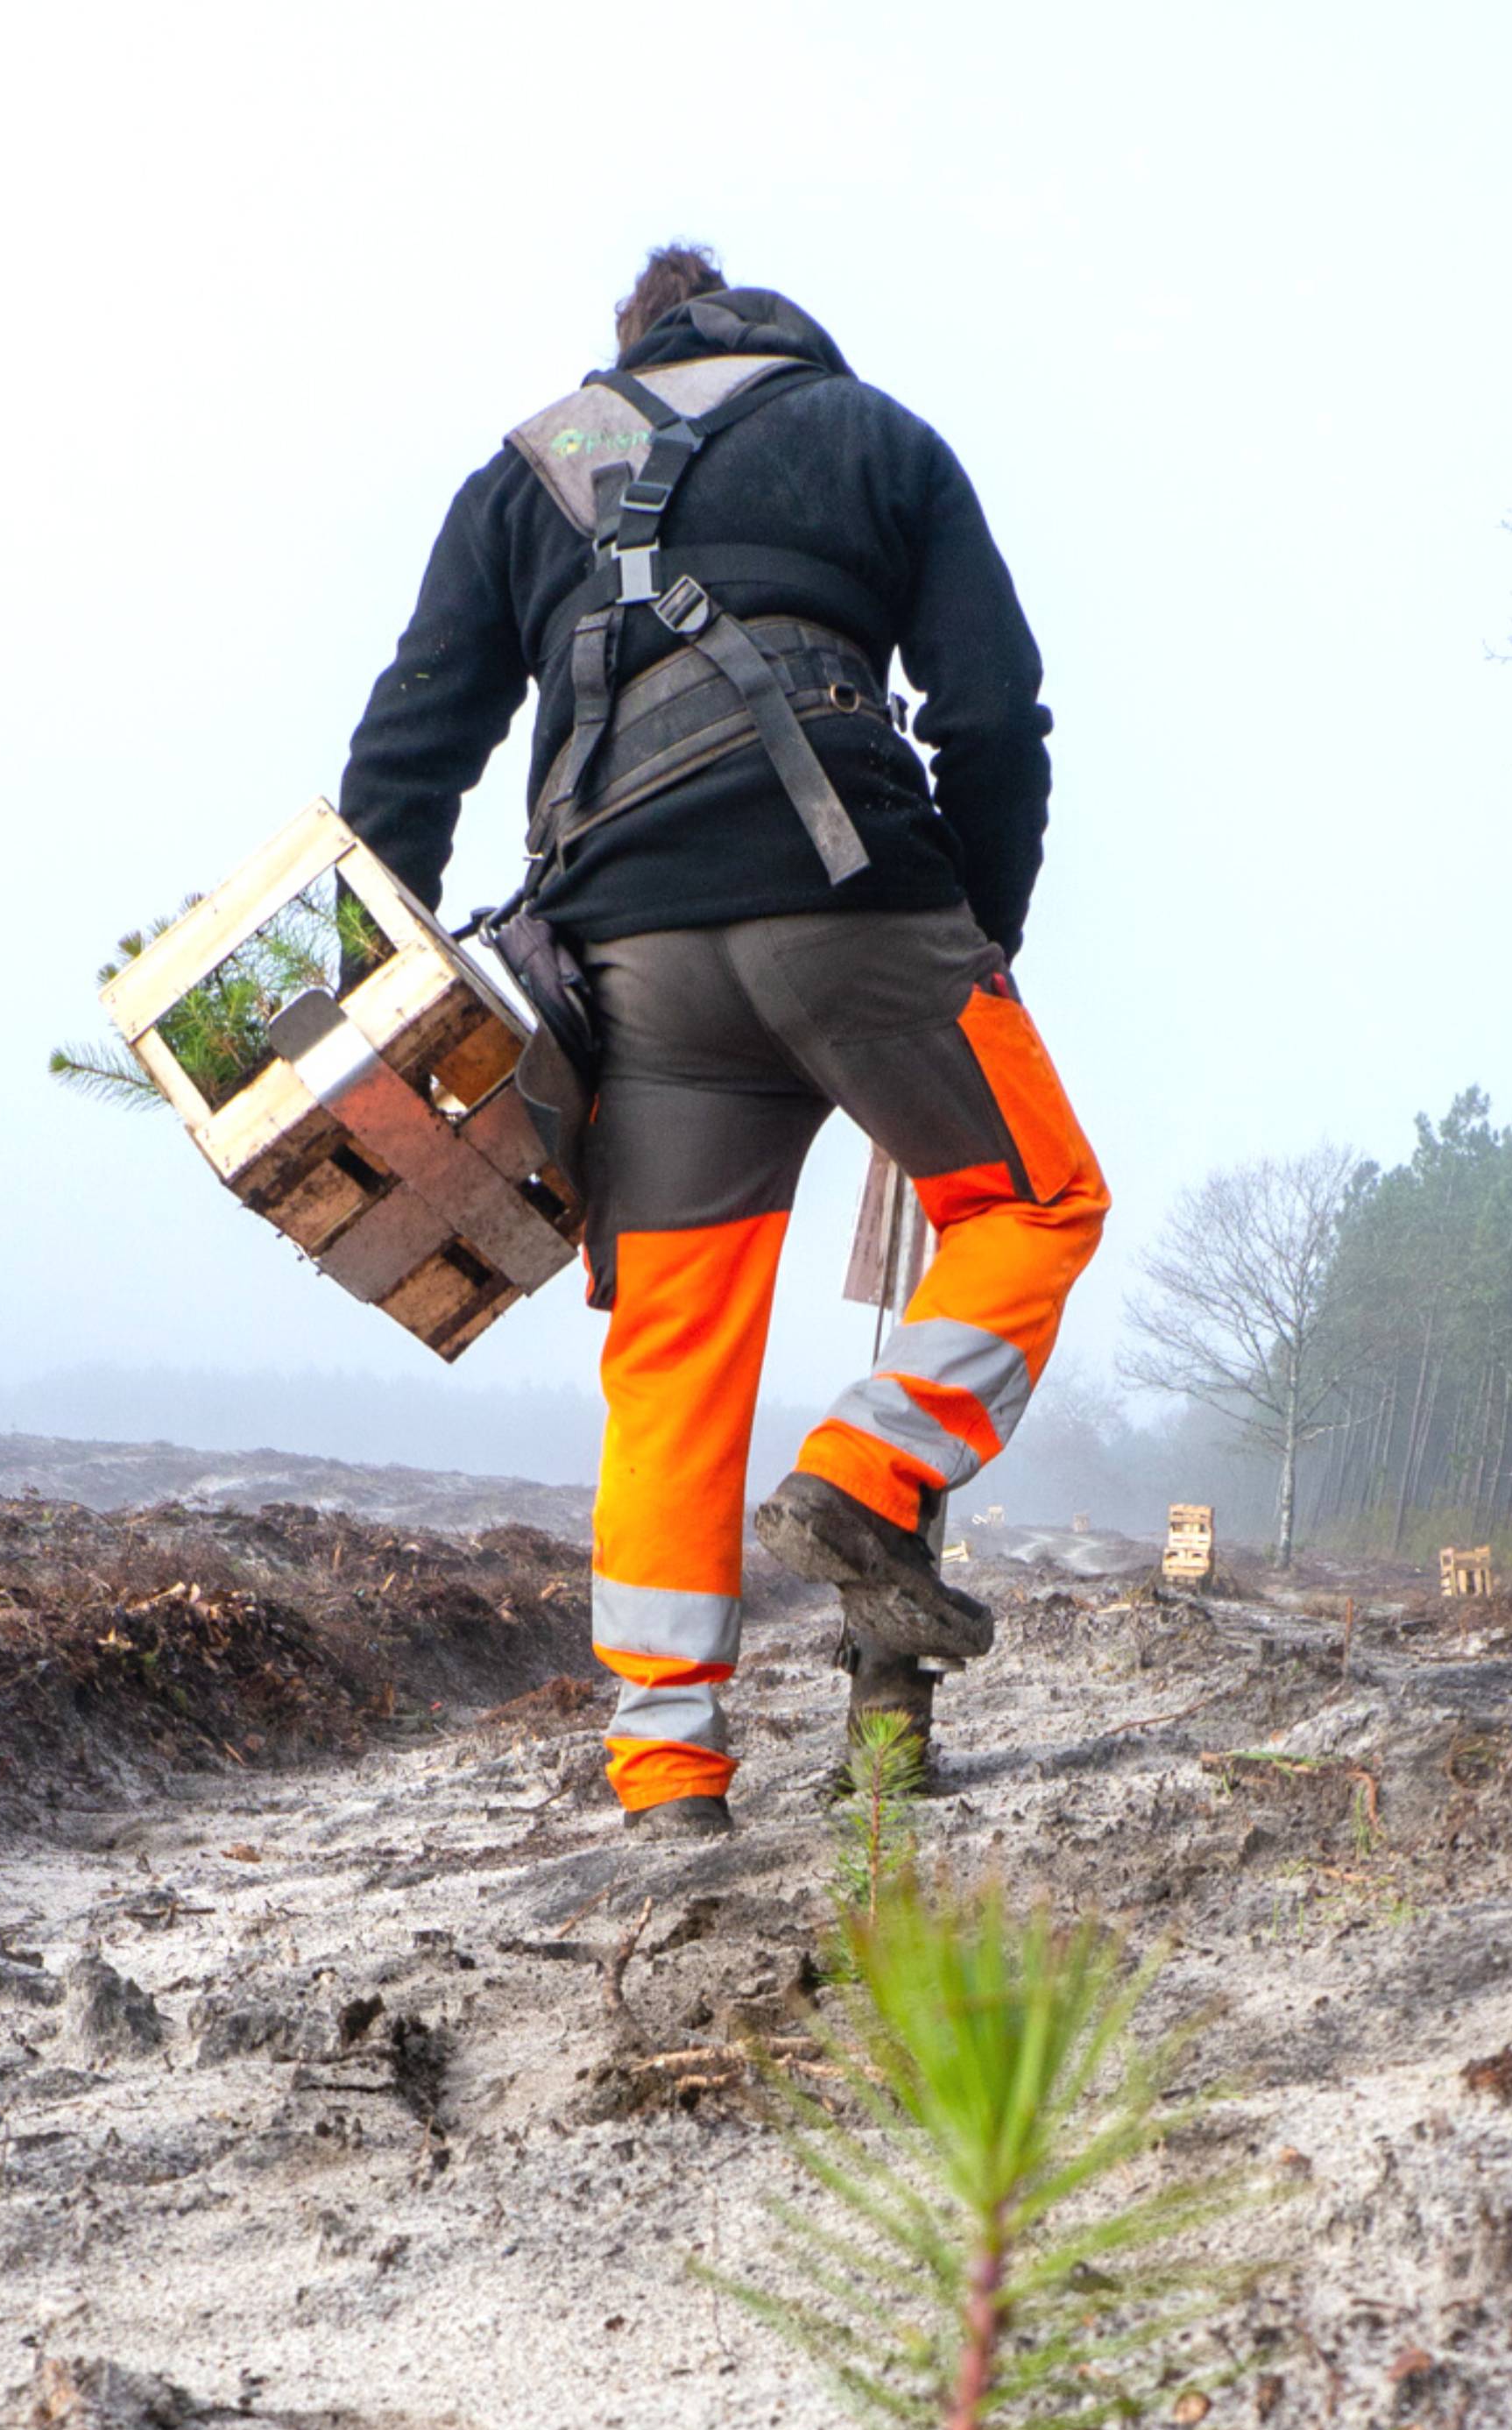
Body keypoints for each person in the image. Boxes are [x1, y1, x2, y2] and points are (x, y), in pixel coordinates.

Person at [337, 244, 1105, 1839]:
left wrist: (374, 1001)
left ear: (634, 348)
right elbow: (991, 717)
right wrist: (986, 935)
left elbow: (414, 738)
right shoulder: (872, 434)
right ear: (764, 333)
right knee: (1035, 1204)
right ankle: (870, 1465)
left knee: (672, 1358)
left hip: (632, 960)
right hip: (862, 910)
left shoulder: (537, 468)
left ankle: (669, 1775)